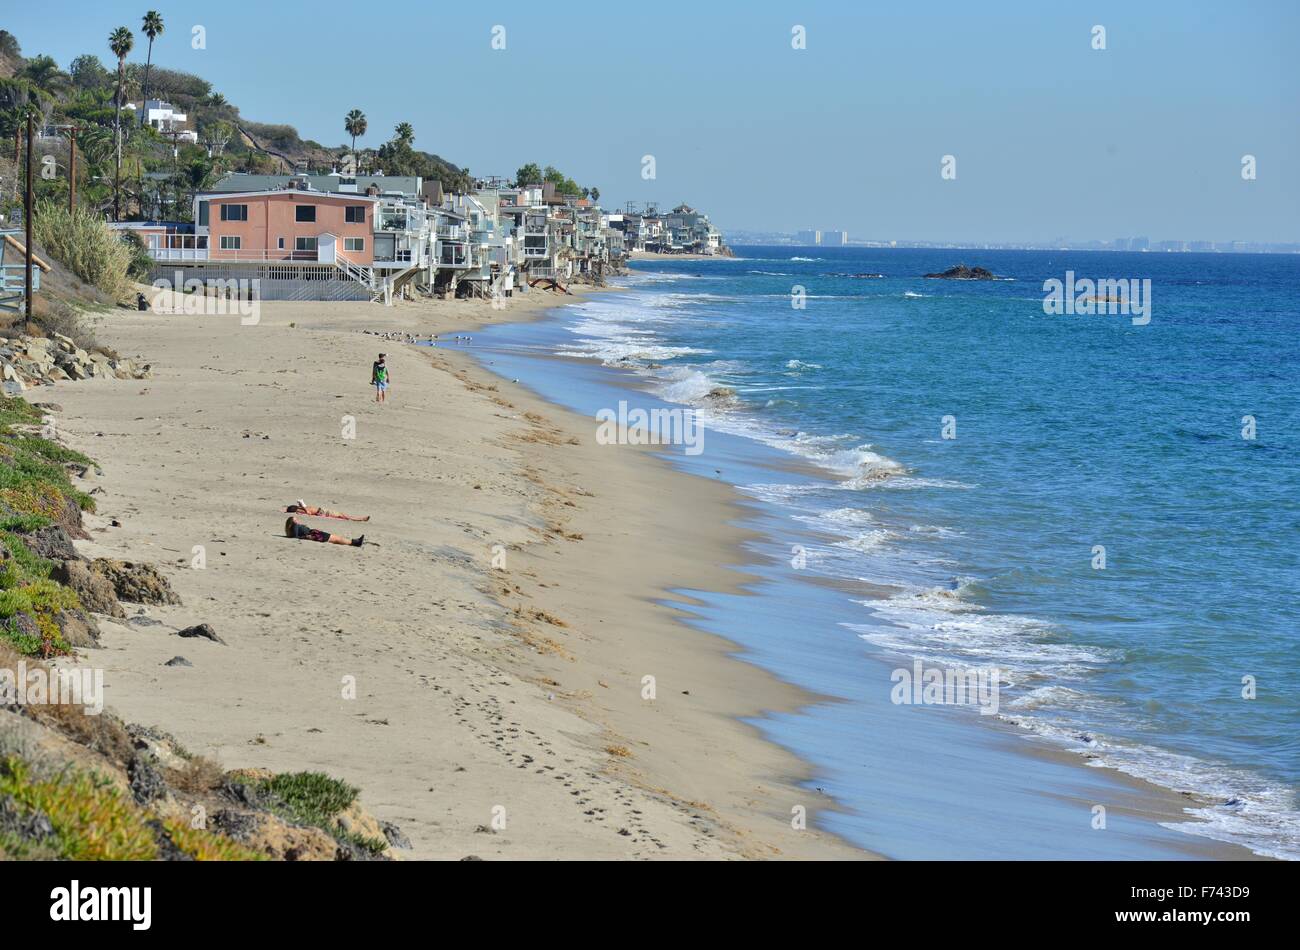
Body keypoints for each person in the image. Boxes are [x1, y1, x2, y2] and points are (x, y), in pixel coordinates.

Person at [285, 516, 364, 547]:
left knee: (335, 538)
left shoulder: (296, 526)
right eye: (295, 520)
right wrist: (305, 537)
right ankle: (355, 542)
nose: (297, 520)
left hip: (314, 533)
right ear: (292, 522)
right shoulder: (295, 526)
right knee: (335, 539)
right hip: (314, 535)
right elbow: (295, 536)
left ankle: (354, 541)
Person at [284, 500, 369, 522]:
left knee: (342, 515)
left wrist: (302, 505)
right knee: (343, 516)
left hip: (322, 511)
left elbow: (306, 510)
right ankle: (361, 519)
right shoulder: (302, 510)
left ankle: (360, 518)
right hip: (323, 512)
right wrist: (303, 506)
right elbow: (309, 513)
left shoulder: (302, 509)